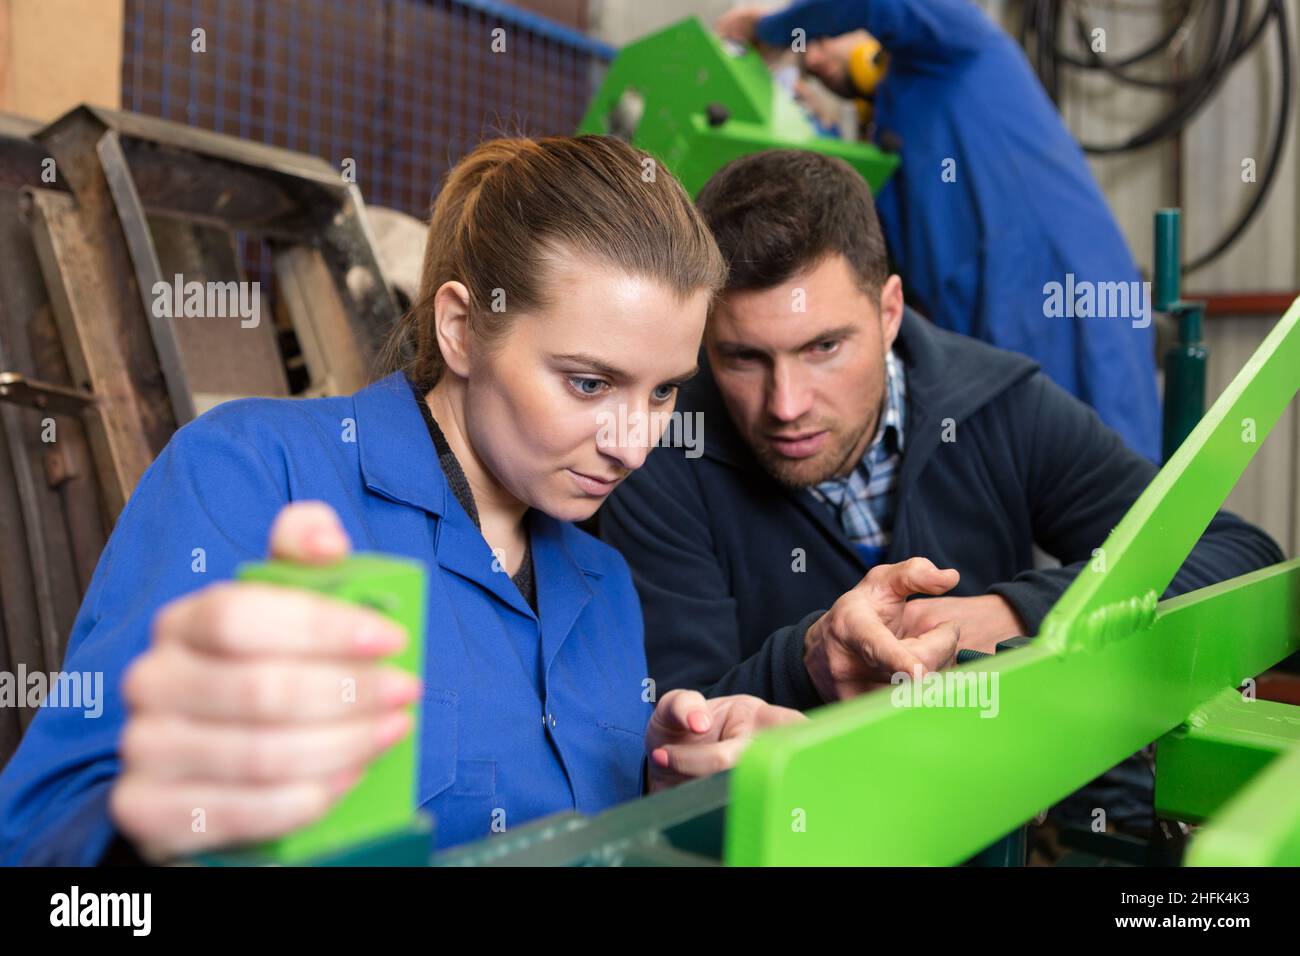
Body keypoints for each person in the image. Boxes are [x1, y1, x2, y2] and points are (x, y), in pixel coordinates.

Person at [0, 135, 807, 866]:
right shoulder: (253, 473)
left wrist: (663, 807)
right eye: (589, 383)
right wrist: (161, 826)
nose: (633, 444)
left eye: (664, 391)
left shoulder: (606, 588)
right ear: (459, 328)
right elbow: (39, 841)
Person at [598, 149, 1282, 830]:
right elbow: (673, 727)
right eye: (744, 357)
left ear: (890, 311)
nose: (786, 404)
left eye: (824, 347)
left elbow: (1239, 554)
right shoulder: (657, 454)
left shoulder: (1001, 406)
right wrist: (810, 657)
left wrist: (1012, 615)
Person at [717, 0, 1162, 462]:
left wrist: (772, 24)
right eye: (802, 54)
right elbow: (863, 208)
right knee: (1023, 495)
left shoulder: (959, 45)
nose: (810, 57)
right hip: (980, 325)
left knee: (1117, 486)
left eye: (823, 36)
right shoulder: (895, 118)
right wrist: (801, 125)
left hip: (1064, 300)